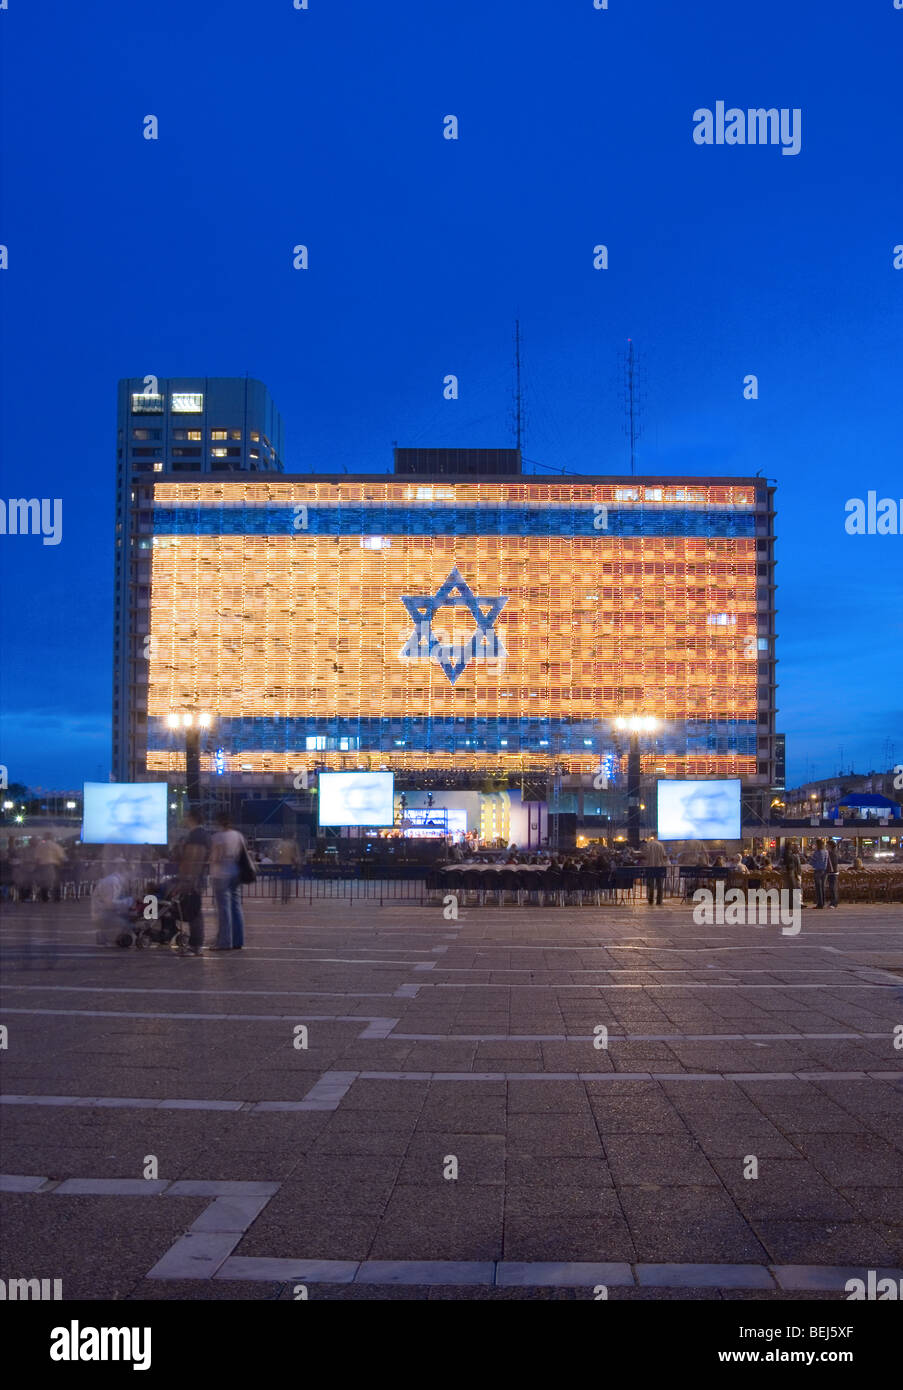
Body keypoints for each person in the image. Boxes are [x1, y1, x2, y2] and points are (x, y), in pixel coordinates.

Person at [209, 813, 248, 950]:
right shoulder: (238, 835)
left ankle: (224, 942)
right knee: (236, 907)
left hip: (221, 875)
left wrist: (211, 860)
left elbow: (217, 857)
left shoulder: (218, 837)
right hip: (235, 873)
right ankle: (238, 940)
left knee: (223, 909)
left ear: (219, 823)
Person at [175, 811, 210, 954]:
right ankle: (196, 943)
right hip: (197, 877)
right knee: (194, 910)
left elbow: (194, 857)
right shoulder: (202, 835)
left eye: (186, 817)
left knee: (194, 911)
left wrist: (188, 878)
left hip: (193, 878)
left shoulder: (197, 836)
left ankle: (195, 944)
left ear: (192, 819)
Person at [92, 863, 135, 945]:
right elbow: (110, 904)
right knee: (131, 925)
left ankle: (107, 935)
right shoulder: (113, 882)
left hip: (104, 913)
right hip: (104, 914)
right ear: (125, 872)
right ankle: (109, 936)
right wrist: (131, 900)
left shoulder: (114, 880)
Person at [642, 832, 668, 905]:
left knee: (651, 884)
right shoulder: (660, 845)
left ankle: (650, 899)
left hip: (650, 867)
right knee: (659, 885)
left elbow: (645, 855)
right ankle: (659, 900)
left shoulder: (649, 845)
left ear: (651, 836)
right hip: (659, 867)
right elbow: (664, 855)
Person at [809, 838, 830, 909]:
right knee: (823, 887)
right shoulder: (826, 852)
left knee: (818, 888)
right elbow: (826, 862)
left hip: (817, 871)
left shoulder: (817, 853)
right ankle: (823, 903)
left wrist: (813, 863)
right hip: (825, 871)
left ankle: (819, 904)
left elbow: (811, 862)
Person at [825, 840, 840, 909]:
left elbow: (831, 863)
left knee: (832, 888)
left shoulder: (831, 853)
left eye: (827, 845)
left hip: (832, 872)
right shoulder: (833, 852)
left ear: (830, 846)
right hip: (833, 872)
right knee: (832, 888)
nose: (826, 846)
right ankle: (833, 902)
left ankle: (834, 903)